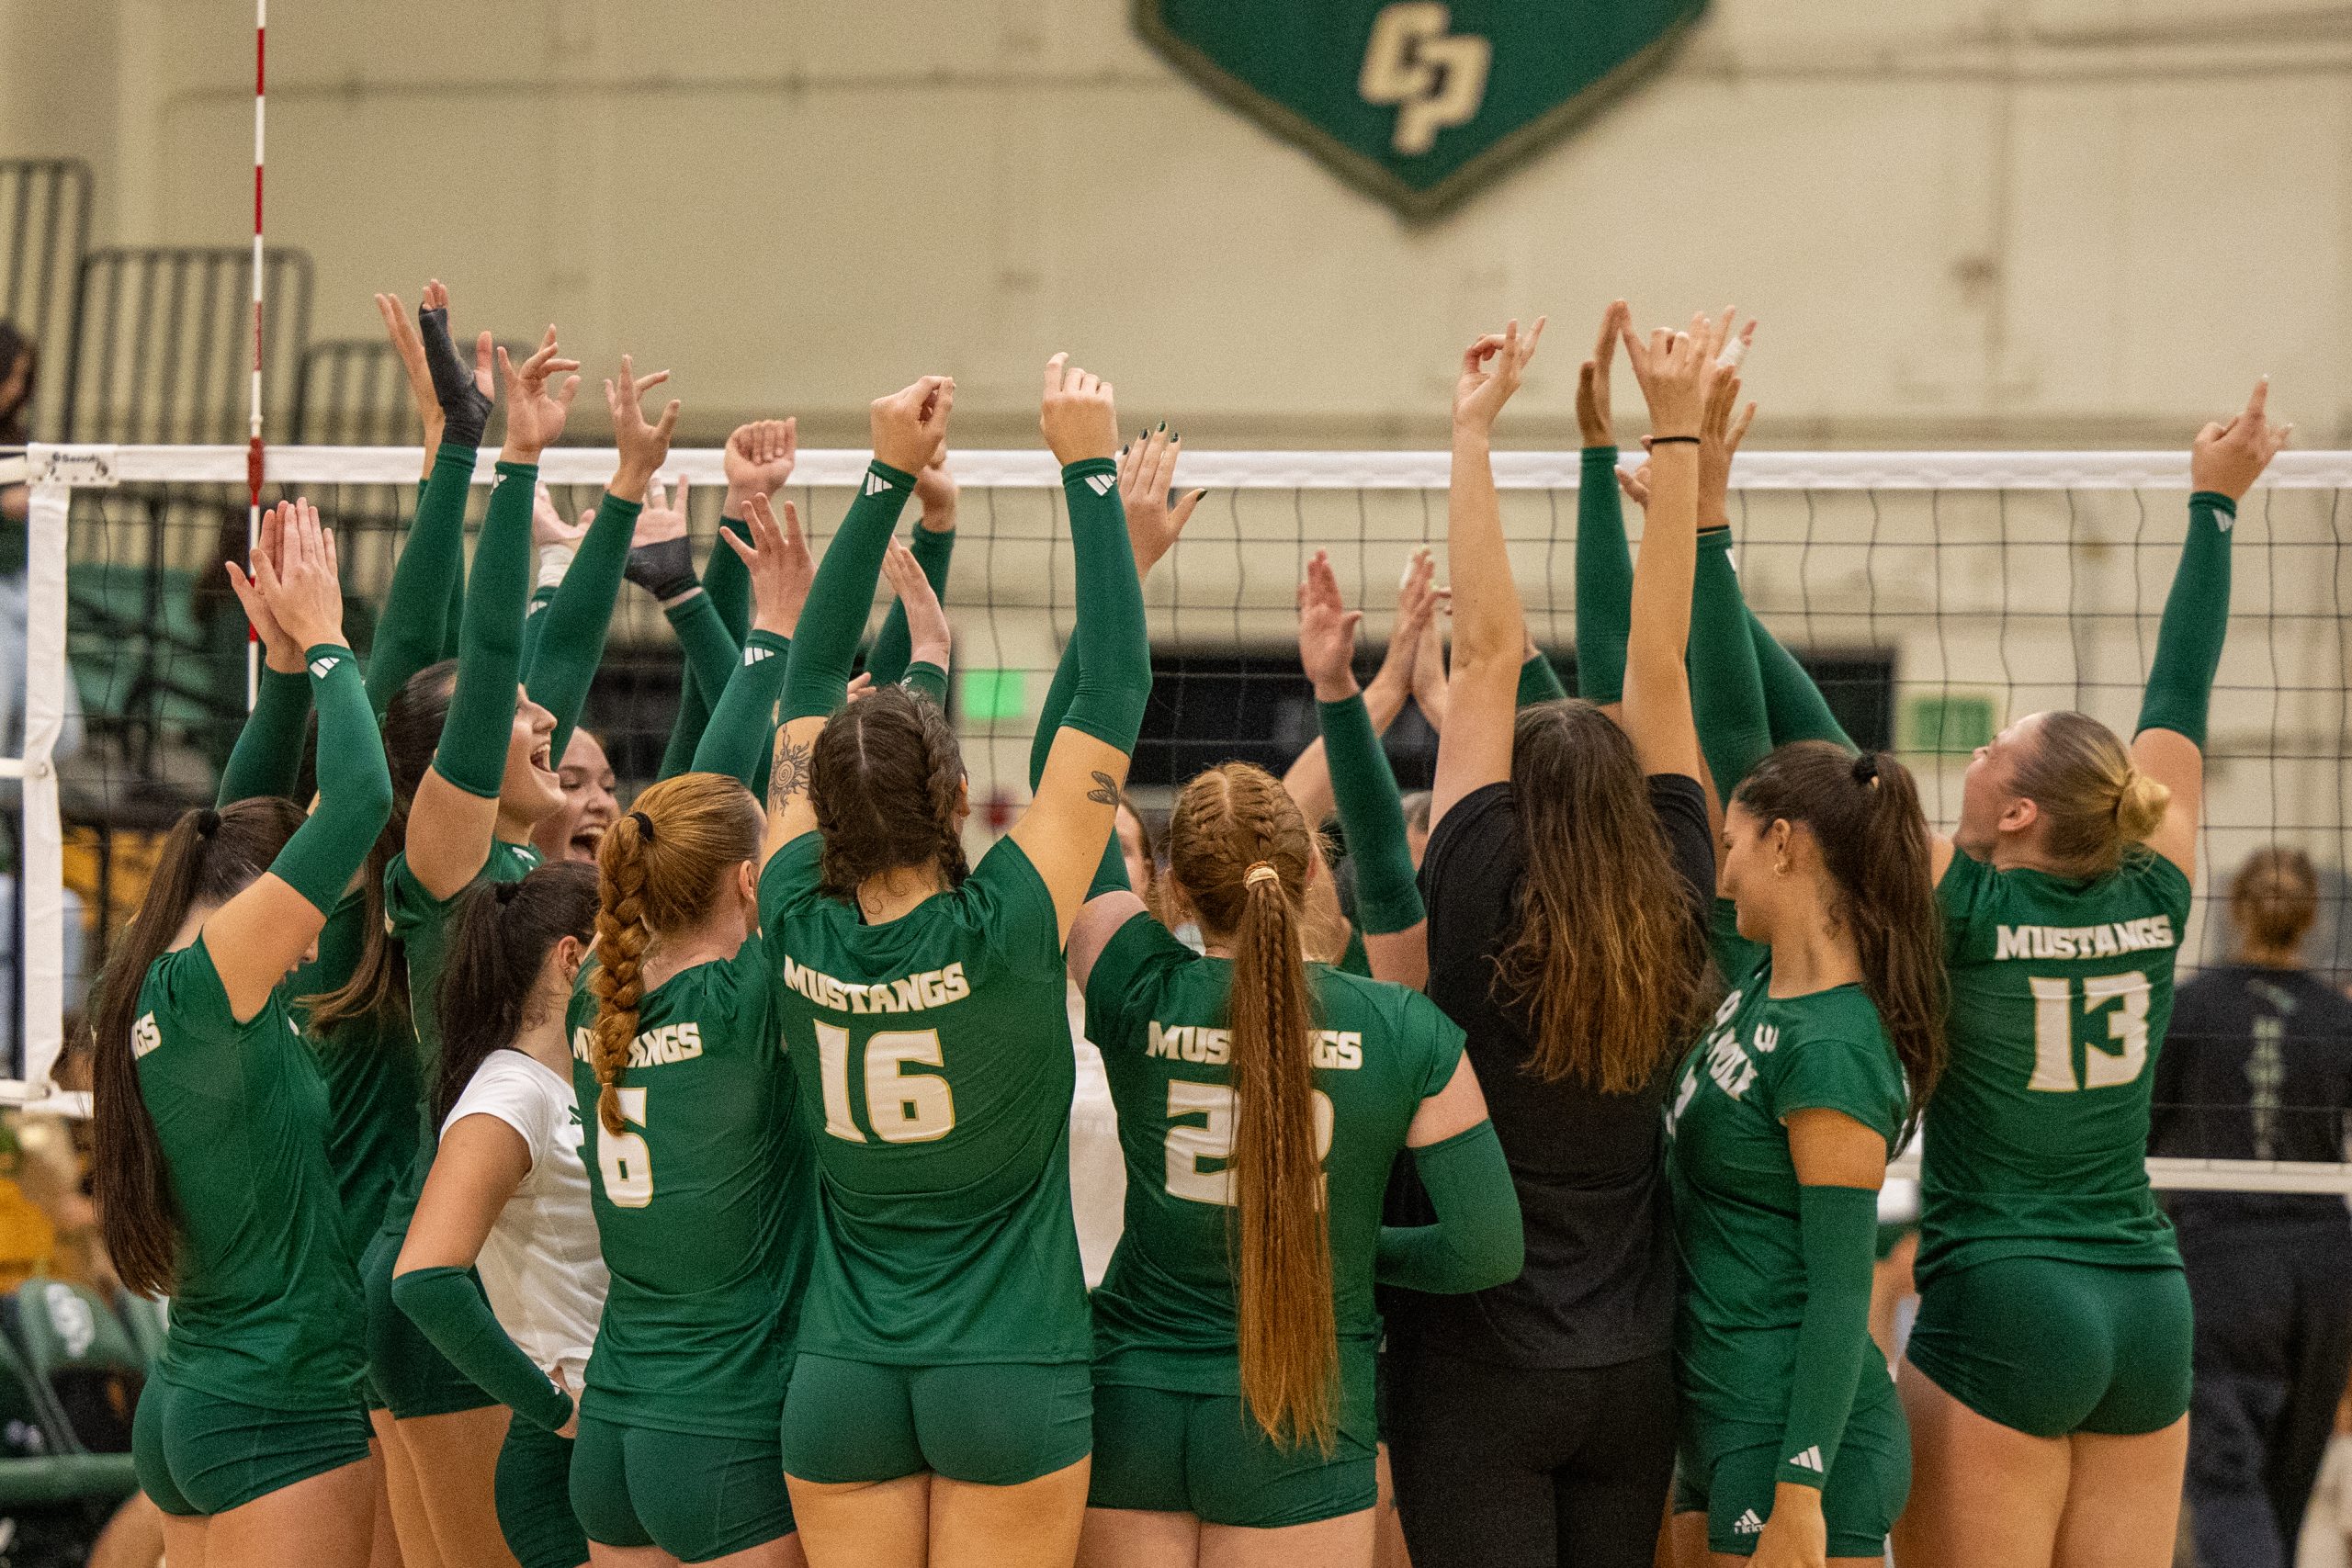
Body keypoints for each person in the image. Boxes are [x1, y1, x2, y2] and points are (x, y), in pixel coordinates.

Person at [1893, 378, 2291, 1568]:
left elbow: (1801, 742)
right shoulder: (2158, 880)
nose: (1968, 753)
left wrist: (1703, 535)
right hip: (2148, 1298)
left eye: (1988, 748)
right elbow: (2181, 689)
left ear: (2013, 812)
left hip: (2009, 1295)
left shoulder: (1956, 892)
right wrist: (2215, 505)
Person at [758, 357, 1147, 1567]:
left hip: (844, 1375)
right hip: (1009, 1370)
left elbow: (805, 681)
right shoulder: (1017, 916)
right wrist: (1088, 462)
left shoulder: (789, 911)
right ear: (963, 799)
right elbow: (1121, 681)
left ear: (812, 803)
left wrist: (880, 467)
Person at [1383, 313, 1720, 1568]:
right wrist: (1673, 430)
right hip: (1633, 1365)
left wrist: (1473, 427)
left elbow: (1488, 651)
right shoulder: (1680, 878)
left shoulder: (1477, 883)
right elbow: (1661, 657)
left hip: (1481, 1364)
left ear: (1510, 796)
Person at [340, 332, 671, 1568]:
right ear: (444, 771)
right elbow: (492, 669)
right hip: (460, 1268)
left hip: (464, 1258)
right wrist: (509, 459)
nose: (547, 713)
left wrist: (628, 491)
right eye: (520, 724)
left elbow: (549, 658)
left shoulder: (525, 872)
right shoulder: (447, 861)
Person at [1065, 757, 1521, 1568]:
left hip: (1134, 1403)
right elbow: (1487, 1244)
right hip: (1303, 1421)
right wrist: (1339, 1243)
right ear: (1314, 868)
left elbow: (1073, 793)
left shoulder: (1130, 981)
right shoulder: (1401, 1027)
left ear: (1174, 888)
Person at [91, 498, 391, 1566]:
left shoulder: (155, 982)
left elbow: (240, 818)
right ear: (262, 904)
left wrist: (272, 671)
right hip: (280, 1411)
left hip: (199, 1400)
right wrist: (328, 648)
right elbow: (357, 797)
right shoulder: (218, 979)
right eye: (306, 914)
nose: (314, 943)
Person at [558, 491, 823, 1568]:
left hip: (615, 1433)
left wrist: (765, 639)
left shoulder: (595, 1000)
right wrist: (784, 643)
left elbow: (689, 813)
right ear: (751, 884)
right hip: (724, 1433)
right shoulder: (749, 994)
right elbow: (751, 818)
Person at [1664, 741, 1945, 1566]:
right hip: (1717, 1405)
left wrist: (1800, 1489)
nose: (1720, 877)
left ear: (1783, 843)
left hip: (1796, 1435)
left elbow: (1839, 1289)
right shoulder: (1761, 981)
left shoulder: (1834, 1048)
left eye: (1730, 847)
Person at [391, 863, 606, 1568]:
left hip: (617, 1434)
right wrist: (552, 1408)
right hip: (560, 1461)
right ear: (573, 957)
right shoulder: (509, 1090)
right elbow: (423, 1277)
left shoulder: (578, 1081)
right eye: (625, 943)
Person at [2152, 847, 2352, 1568]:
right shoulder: (2338, 1015)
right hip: (2325, 1269)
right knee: (2286, 1489)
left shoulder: (2192, 1005)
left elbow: (2141, 1133)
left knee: (2226, 1483)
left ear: (2234, 907)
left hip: (2223, 1261)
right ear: (2312, 918)